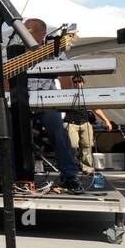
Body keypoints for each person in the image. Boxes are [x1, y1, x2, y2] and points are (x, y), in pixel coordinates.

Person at [18, 18, 84, 194]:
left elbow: (66, 77)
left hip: (47, 101)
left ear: (42, 34)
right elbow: (7, 81)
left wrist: (64, 101)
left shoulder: (54, 52)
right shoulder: (14, 51)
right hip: (21, 100)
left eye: (30, 31)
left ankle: (70, 176)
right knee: (9, 130)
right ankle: (12, 175)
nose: (26, 34)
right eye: (24, 31)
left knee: (57, 131)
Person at [62, 75, 114, 174]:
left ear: (83, 83)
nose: (77, 83)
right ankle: (71, 168)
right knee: (72, 145)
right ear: (72, 83)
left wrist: (106, 120)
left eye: (79, 81)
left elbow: (96, 108)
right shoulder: (67, 93)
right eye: (75, 82)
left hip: (85, 123)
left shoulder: (87, 94)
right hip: (71, 123)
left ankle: (87, 168)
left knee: (87, 146)